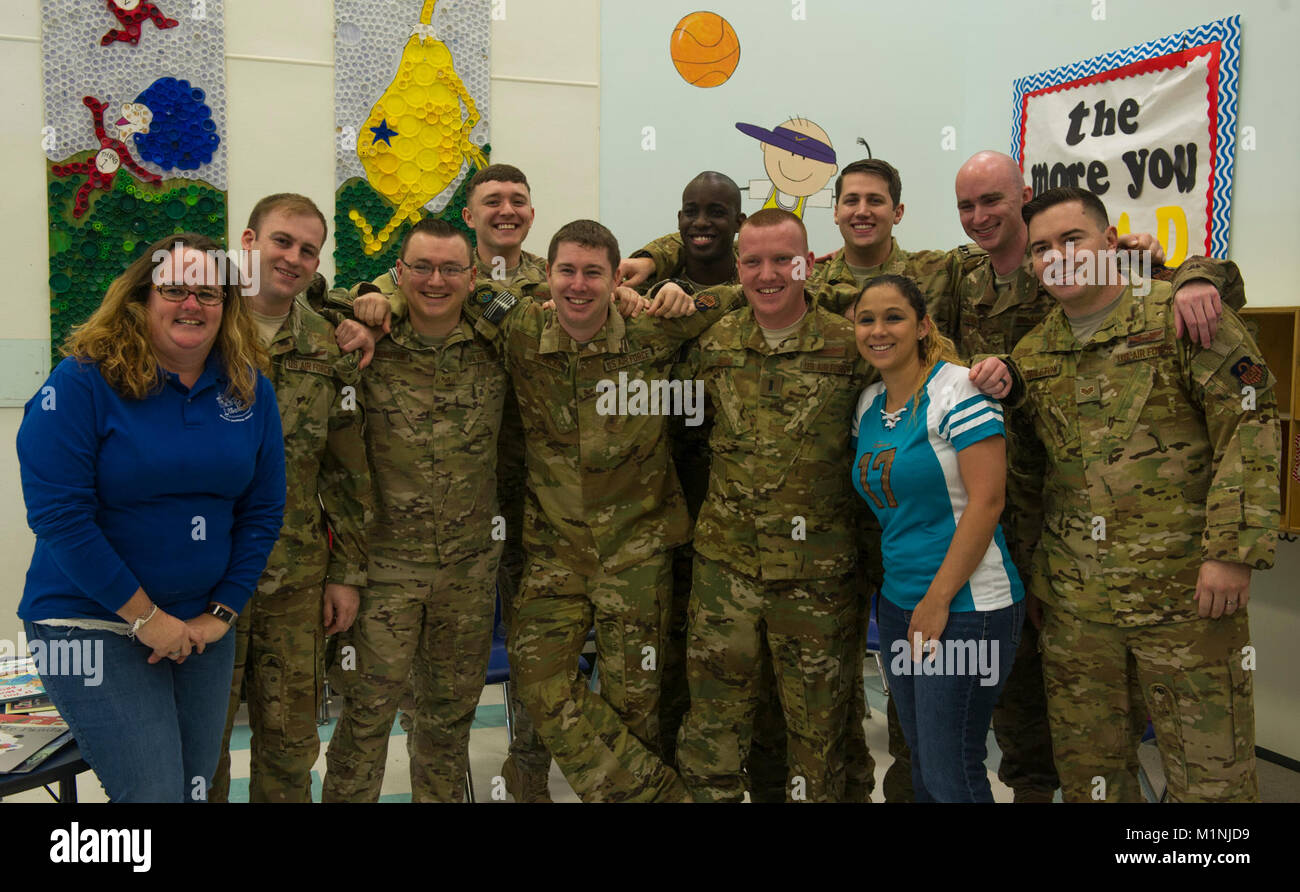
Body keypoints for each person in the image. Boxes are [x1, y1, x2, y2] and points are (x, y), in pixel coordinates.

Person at [1009, 187, 1279, 802]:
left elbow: (1252, 423)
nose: (1058, 257)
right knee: (1092, 777)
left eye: (1072, 239)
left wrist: (1232, 551)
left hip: (1188, 598)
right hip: (1077, 605)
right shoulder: (1034, 353)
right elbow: (1029, 479)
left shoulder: (1184, 317)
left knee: (1211, 779)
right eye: (1042, 249)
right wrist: (1034, 578)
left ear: (1110, 242)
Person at [457, 219, 737, 802]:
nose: (577, 286)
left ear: (615, 281)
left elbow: (748, 291)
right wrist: (369, 299)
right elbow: (461, 282)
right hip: (554, 553)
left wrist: (668, 278)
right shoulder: (521, 326)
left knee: (636, 703)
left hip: (638, 554)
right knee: (537, 680)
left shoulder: (653, 330)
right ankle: (658, 795)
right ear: (548, 275)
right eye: (566, 271)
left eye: (593, 273)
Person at [16, 232, 285, 802]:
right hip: (92, 623)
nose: (192, 304)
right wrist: (146, 618)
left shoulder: (249, 391)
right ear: (141, 298)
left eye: (209, 294)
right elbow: (59, 516)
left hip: (200, 629)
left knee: (193, 789)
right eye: (175, 288)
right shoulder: (83, 382)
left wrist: (222, 612)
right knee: (154, 794)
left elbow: (263, 510)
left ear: (227, 307)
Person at [674, 209, 868, 802]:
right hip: (725, 571)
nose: (768, 274)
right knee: (713, 730)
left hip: (818, 577)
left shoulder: (852, 345)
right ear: (737, 269)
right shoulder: (713, 343)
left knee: (818, 735)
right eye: (754, 261)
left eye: (784, 259)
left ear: (808, 264)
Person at [322, 219, 505, 802]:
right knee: (363, 725)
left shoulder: (500, 343)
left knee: (447, 729)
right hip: (382, 574)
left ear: (472, 277)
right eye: (421, 267)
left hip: (469, 574)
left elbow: (563, 300)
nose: (435, 280)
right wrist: (367, 300)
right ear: (398, 274)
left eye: (451, 268)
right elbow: (308, 296)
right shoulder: (360, 342)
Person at [209, 194, 372, 803]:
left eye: (308, 249)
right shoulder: (196, 330)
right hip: (201, 573)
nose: (293, 258)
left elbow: (349, 472)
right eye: (282, 241)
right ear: (248, 242)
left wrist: (348, 573)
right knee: (202, 743)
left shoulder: (330, 346)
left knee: (290, 742)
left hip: (294, 578)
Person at [851, 274, 1023, 801]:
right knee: (923, 762)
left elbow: (987, 502)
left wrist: (937, 599)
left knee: (954, 772)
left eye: (894, 317)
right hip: (902, 604)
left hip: (965, 605)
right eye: (866, 319)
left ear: (923, 325)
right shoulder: (868, 404)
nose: (879, 330)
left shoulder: (958, 389)